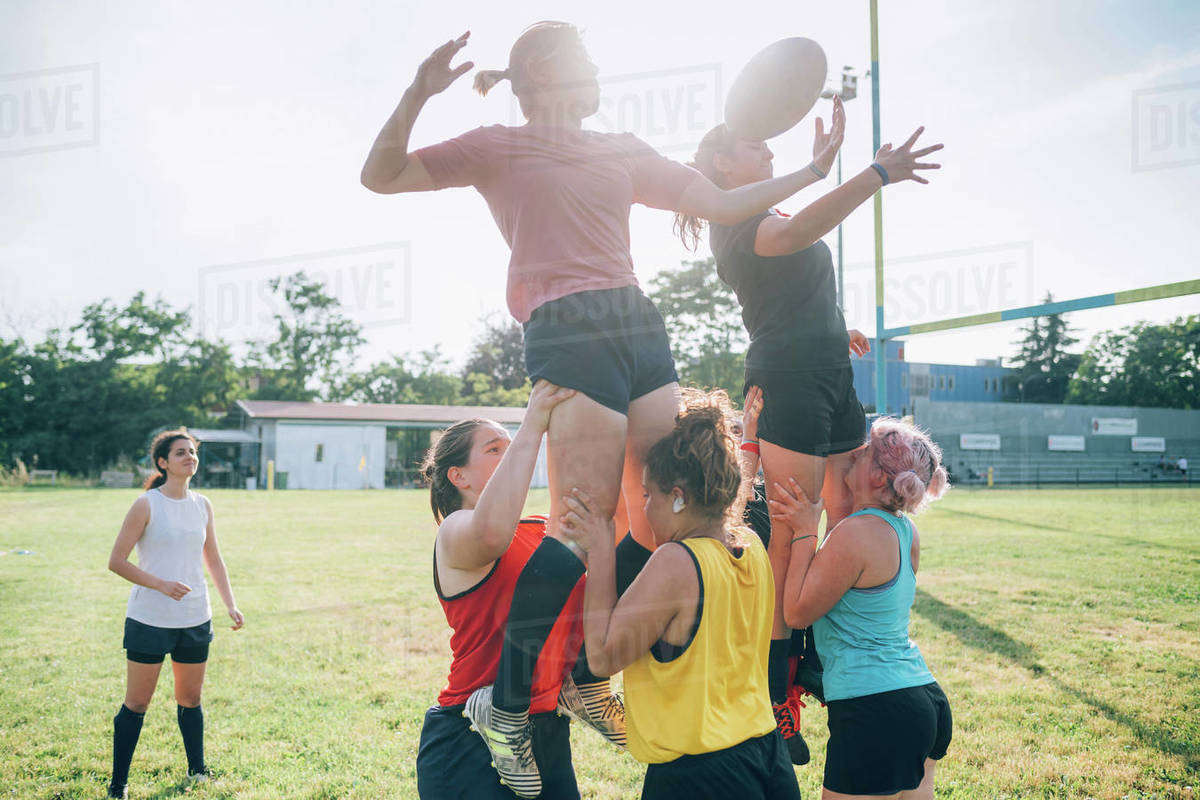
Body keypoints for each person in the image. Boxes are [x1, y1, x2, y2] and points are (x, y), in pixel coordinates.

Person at [360, 21, 850, 790]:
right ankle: (510, 708)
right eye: (583, 58)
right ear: (545, 73)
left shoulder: (618, 147)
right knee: (578, 518)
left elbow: (722, 203)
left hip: (636, 322)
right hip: (569, 325)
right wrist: (418, 94)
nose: (596, 69)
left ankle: (590, 678)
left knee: (661, 519)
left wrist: (813, 172)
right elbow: (381, 175)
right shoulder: (498, 144)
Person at [674, 109, 941, 755]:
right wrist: (872, 173)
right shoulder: (735, 227)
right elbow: (807, 232)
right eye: (755, 145)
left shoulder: (771, 216)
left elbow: (801, 278)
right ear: (721, 165)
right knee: (794, 525)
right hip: (788, 380)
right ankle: (780, 692)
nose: (768, 150)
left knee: (852, 517)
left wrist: (835, 326)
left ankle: (827, 652)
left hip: (828, 371)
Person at [560, 389, 801, 800]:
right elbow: (727, 510)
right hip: (767, 755)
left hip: (701, 777)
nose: (645, 507)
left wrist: (602, 553)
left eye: (648, 494)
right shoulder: (749, 546)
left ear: (678, 498)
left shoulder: (676, 561)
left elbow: (601, 658)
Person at [417, 380, 594, 799]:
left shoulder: (537, 528)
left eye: (510, 445)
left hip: (545, 731)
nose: (512, 452)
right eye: (495, 449)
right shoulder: (456, 531)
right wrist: (533, 422)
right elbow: (493, 532)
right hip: (469, 739)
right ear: (457, 475)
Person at [776, 417, 952, 799]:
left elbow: (796, 613)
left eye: (862, 452)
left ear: (876, 477)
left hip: (877, 708)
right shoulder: (904, 530)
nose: (851, 456)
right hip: (924, 698)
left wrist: (806, 530)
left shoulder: (858, 533)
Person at [105, 429, 244, 799]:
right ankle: (118, 784)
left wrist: (230, 603)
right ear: (163, 462)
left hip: (195, 619)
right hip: (150, 620)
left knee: (191, 700)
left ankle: (197, 771)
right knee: (137, 703)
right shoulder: (146, 504)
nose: (190, 457)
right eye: (181, 452)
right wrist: (161, 584)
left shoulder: (203, 504)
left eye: (193, 452)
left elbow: (213, 558)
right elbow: (116, 562)